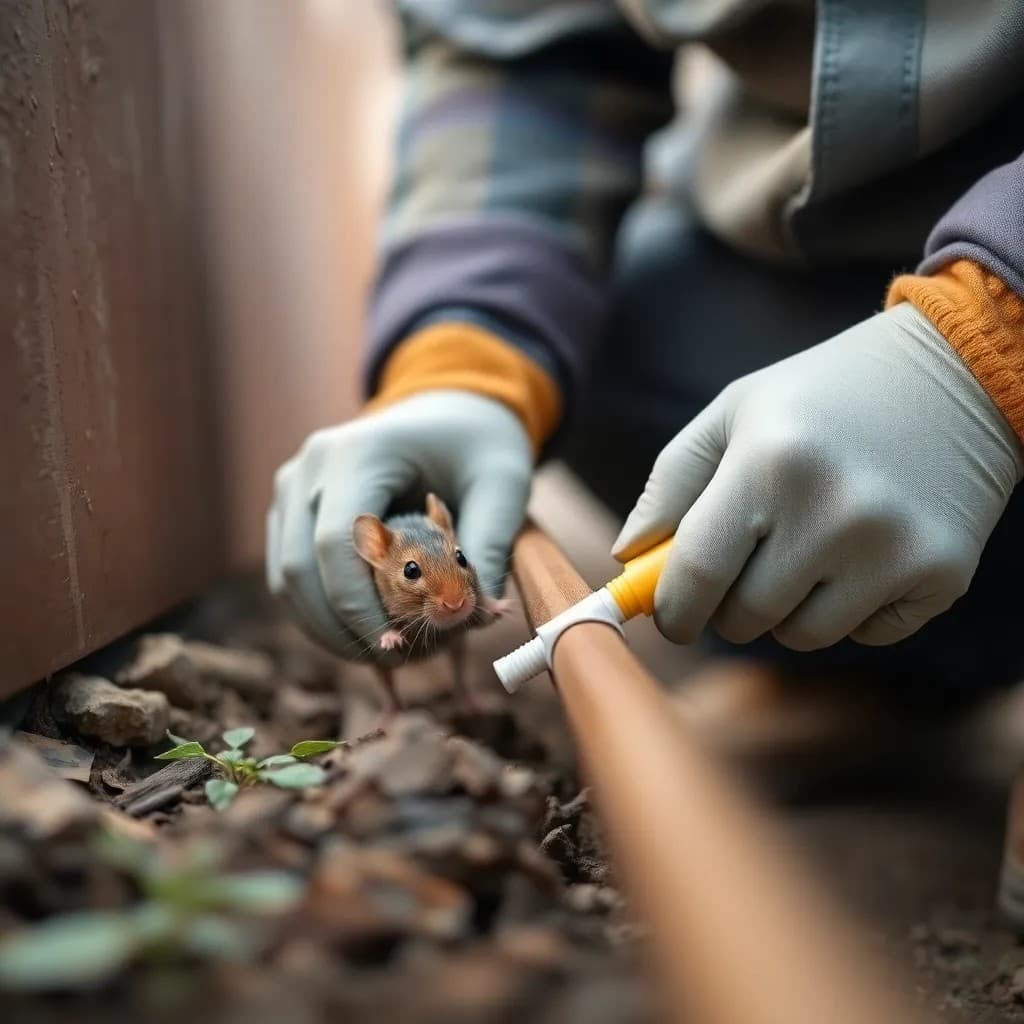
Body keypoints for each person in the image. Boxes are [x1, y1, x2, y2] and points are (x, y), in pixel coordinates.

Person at [267, 2, 1024, 706]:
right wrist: (466, 353)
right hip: (830, 267)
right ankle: (889, 676)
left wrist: (984, 340)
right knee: (606, 354)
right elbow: (520, 42)